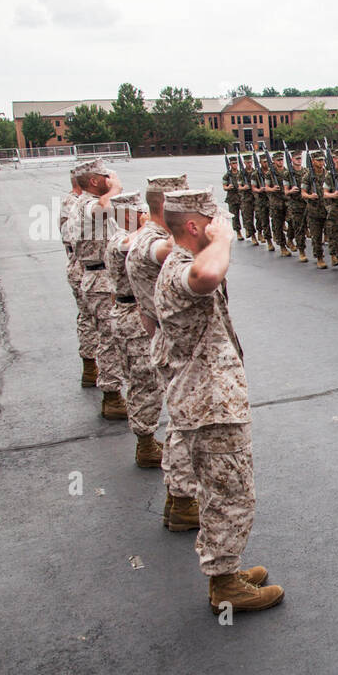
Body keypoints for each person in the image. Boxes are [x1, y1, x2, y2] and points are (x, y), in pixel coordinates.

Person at [153, 188, 282, 614]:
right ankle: (225, 584)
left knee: (221, 490)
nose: (220, 223)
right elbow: (206, 278)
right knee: (231, 494)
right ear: (194, 226)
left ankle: (227, 570)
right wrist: (224, 239)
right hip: (210, 406)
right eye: (213, 218)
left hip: (208, 400)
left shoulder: (179, 262)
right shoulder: (182, 269)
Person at [128, 175, 199, 532]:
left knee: (179, 422)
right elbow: (196, 266)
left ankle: (178, 498)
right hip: (179, 346)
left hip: (166, 338)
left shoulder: (148, 237)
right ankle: (184, 501)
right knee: (188, 426)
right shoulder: (154, 243)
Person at [105, 191, 164, 466]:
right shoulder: (122, 239)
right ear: (127, 215)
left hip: (125, 313)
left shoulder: (119, 236)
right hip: (133, 318)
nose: (143, 215)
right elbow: (134, 242)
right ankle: (146, 445)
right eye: (138, 212)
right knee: (145, 383)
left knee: (140, 380)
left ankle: (146, 439)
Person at [71, 158, 128, 419]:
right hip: (100, 280)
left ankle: (109, 389)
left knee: (108, 336)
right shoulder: (88, 204)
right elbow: (104, 206)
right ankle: (113, 397)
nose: (111, 180)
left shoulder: (86, 204)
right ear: (94, 181)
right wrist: (115, 188)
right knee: (110, 339)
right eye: (106, 177)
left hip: (101, 278)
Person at [61, 169, 98, 385]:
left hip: (79, 265)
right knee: (93, 321)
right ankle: (93, 369)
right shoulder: (76, 204)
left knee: (88, 319)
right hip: (83, 266)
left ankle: (91, 369)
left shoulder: (73, 201)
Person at [301, 149, 329, 268]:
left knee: (332, 234)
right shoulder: (307, 176)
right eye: (318, 160)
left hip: (328, 209)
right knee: (317, 236)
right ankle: (319, 258)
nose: (321, 162)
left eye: (322, 160)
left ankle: (335, 255)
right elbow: (303, 193)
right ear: (313, 161)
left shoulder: (328, 174)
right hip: (314, 210)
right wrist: (310, 196)